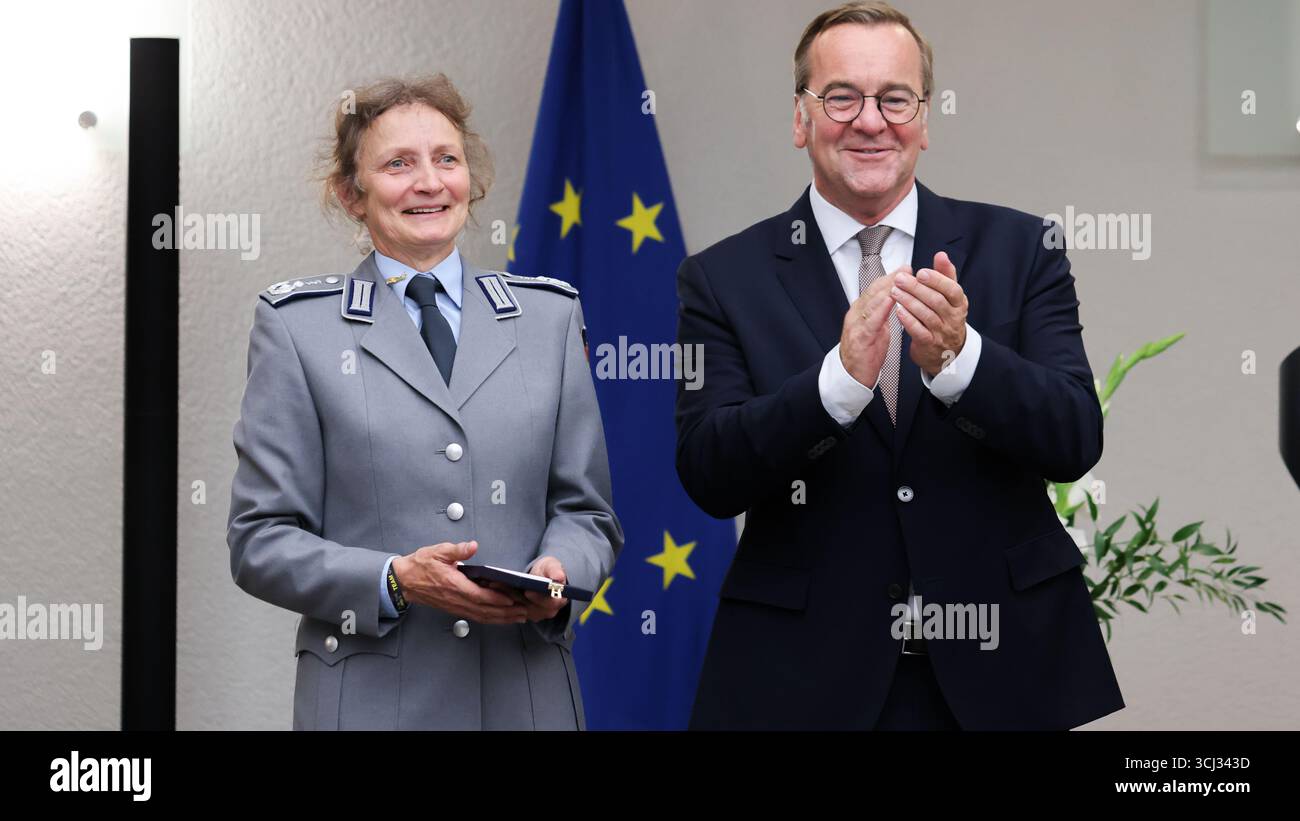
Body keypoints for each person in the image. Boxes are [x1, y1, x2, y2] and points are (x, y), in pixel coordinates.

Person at [675, 2, 1123, 729]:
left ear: (924, 118)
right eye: (841, 97)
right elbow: (708, 471)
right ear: (800, 118)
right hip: (804, 682)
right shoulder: (722, 277)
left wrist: (961, 360)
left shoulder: (1022, 248)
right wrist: (836, 386)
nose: (870, 122)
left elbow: (1074, 437)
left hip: (1000, 669)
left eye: (894, 98)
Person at [226, 75, 622, 730]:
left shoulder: (549, 317)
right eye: (398, 164)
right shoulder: (297, 328)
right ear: (351, 193)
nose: (430, 183)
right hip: (370, 706)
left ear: (471, 179)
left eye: (446, 159)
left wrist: (561, 571)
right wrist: (394, 578)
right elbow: (259, 540)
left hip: (524, 697)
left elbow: (586, 512)